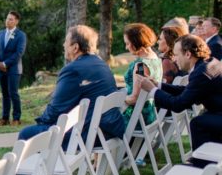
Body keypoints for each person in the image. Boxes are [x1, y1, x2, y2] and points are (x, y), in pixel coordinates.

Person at [18, 25, 125, 145]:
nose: (63, 45)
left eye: (66, 42)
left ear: (75, 47)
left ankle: (41, 164)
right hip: (108, 130)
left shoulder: (73, 70)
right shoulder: (101, 64)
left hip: (88, 135)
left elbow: (56, 109)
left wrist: (42, 123)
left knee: (26, 134)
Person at [135, 34, 222, 165]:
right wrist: (158, 84)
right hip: (217, 111)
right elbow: (187, 91)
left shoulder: (201, 73)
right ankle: (207, 160)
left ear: (187, 54)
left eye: (176, 54)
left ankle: (203, 166)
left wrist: (152, 90)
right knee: (202, 120)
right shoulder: (207, 63)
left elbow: (178, 104)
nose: (174, 59)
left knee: (198, 123)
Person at [122, 23, 162, 125]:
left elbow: (134, 98)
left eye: (127, 43)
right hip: (149, 113)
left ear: (136, 42)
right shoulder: (155, 58)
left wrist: (118, 99)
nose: (126, 47)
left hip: (136, 117)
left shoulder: (140, 65)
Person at [0, 11, 27, 125]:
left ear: (16, 21)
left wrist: (6, 64)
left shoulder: (21, 35)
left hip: (13, 69)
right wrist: (0, 63)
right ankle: (5, 118)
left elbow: (19, 52)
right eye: (7, 18)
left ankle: (16, 118)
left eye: (11, 19)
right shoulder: (0, 33)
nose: (8, 21)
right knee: (4, 94)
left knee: (13, 93)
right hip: (0, 68)